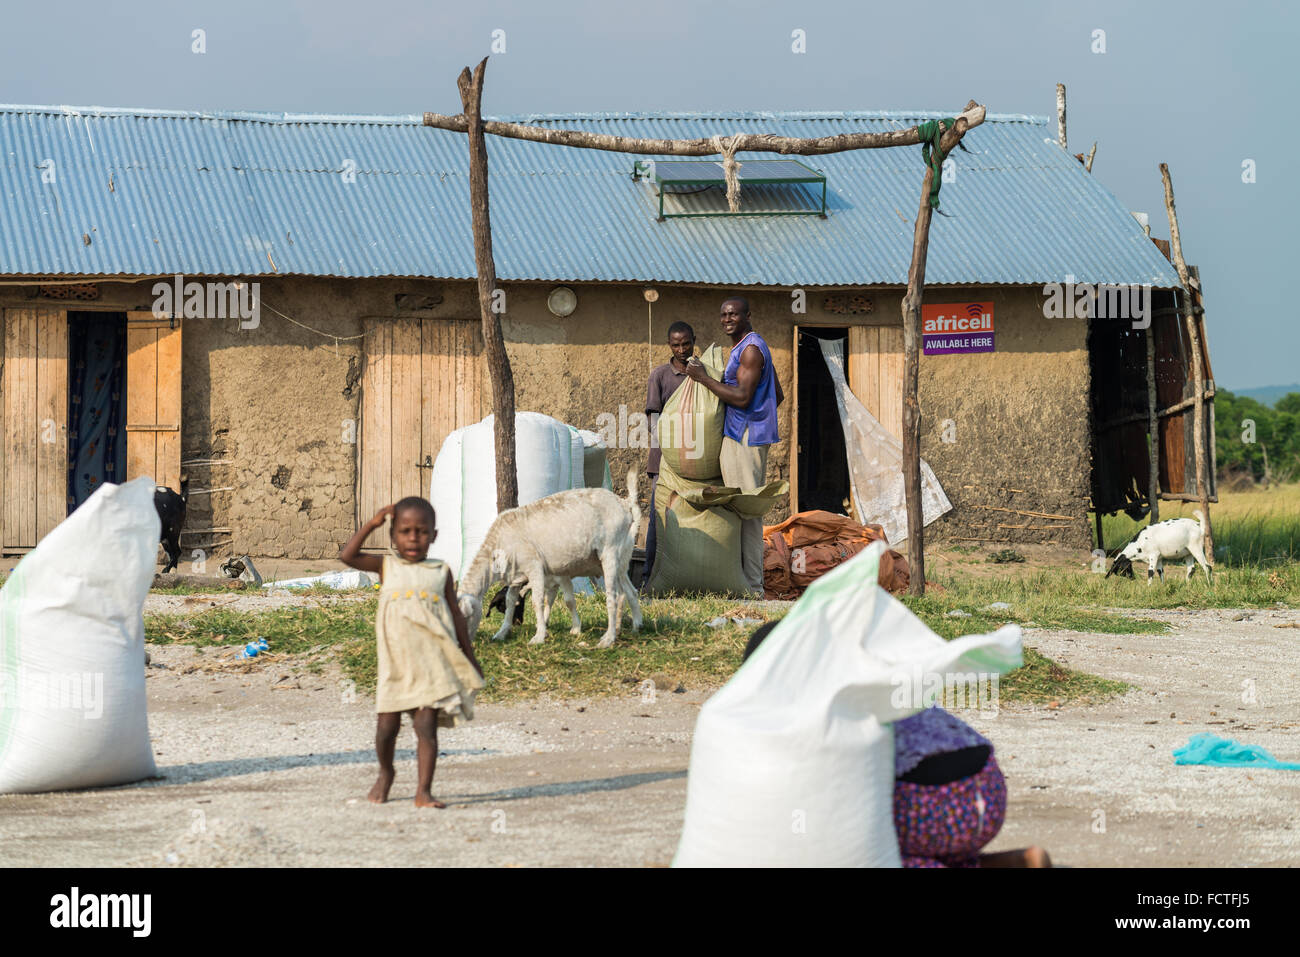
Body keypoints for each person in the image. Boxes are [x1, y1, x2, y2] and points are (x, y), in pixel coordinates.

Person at [743, 622, 1051, 867]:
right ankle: (1015, 862)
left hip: (945, 806)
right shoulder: (863, 676)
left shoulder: (822, 709)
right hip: (989, 788)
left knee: (847, 849)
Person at [339, 497, 484, 808]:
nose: (413, 538)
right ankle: (386, 772)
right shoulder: (386, 567)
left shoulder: (440, 571)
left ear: (434, 535)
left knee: (426, 729)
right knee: (386, 729)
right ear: (393, 536)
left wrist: (470, 657)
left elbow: (457, 616)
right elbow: (347, 556)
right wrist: (372, 523)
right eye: (405, 531)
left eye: (421, 531)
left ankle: (424, 791)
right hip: (395, 666)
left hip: (431, 666)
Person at [684, 297, 783, 596]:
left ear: (748, 315)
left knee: (748, 512)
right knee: (739, 507)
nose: (727, 319)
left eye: (734, 314)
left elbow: (741, 397)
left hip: (745, 438)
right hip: (745, 434)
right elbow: (776, 393)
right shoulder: (746, 348)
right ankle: (745, 580)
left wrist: (702, 378)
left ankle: (753, 587)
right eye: (723, 314)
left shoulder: (751, 350)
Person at [641, 320, 696, 588]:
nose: (681, 349)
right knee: (659, 518)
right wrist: (672, 442)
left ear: (694, 342)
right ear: (669, 346)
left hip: (696, 460)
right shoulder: (660, 375)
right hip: (663, 460)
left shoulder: (702, 374)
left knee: (689, 517)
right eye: (676, 345)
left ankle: (685, 578)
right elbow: (654, 418)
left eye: (686, 343)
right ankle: (648, 578)